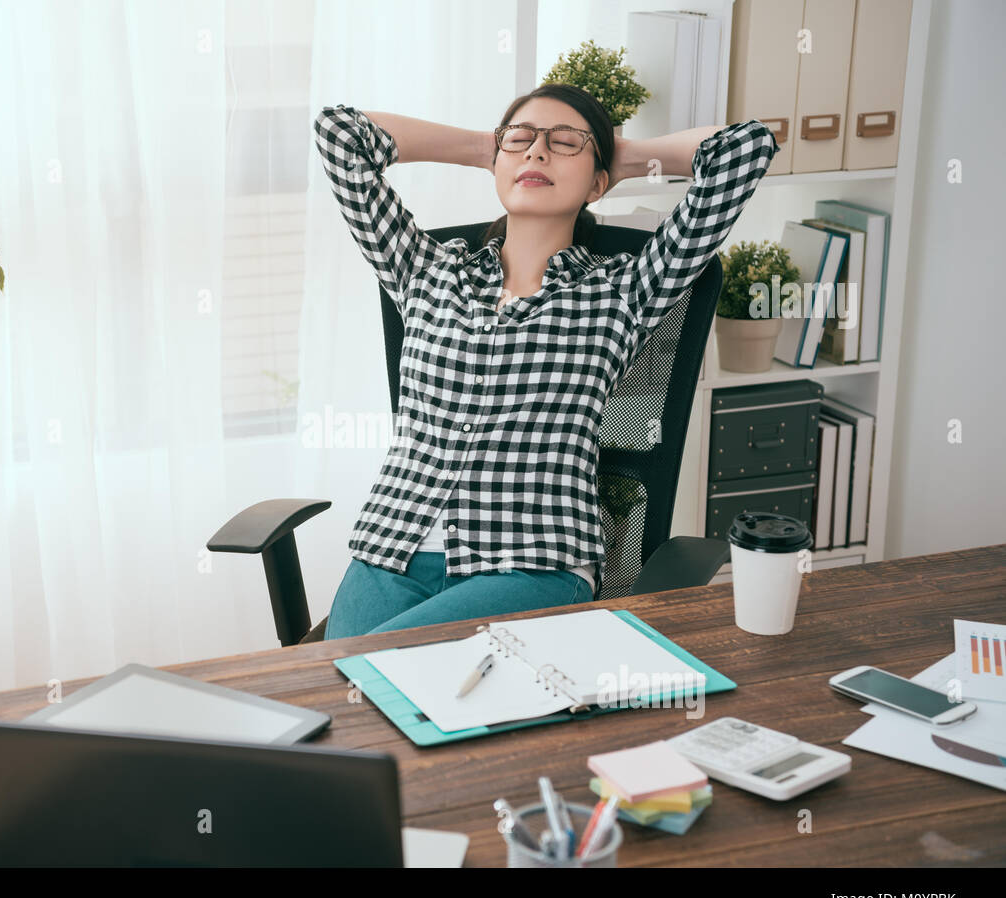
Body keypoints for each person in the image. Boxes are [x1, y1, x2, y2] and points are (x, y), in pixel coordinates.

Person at [314, 84, 778, 640]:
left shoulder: (623, 291)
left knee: (375, 675)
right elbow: (340, 134)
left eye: (563, 144)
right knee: (339, 698)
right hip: (393, 552)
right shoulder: (425, 271)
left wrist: (618, 155)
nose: (537, 153)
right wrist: (491, 149)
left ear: (599, 182)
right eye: (521, 140)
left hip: (531, 562)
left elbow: (745, 149)